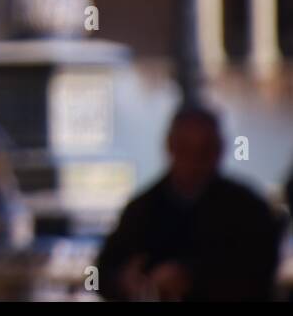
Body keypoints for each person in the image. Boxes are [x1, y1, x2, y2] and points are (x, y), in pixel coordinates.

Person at [96, 104, 283, 302]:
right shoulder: (141, 210)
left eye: (204, 150)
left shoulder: (247, 209)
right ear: (170, 147)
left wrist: (192, 278)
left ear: (219, 150)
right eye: (186, 149)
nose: (194, 160)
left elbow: (260, 274)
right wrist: (122, 281)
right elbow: (99, 275)